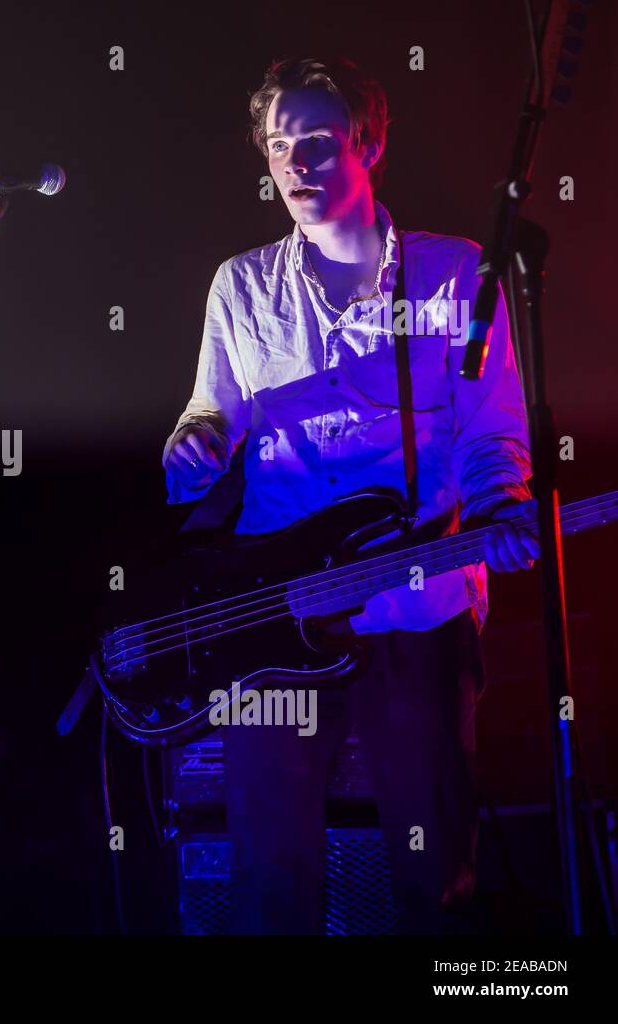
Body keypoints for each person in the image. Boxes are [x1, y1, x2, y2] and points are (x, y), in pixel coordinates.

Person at [162, 55, 540, 934]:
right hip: (275, 616)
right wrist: (196, 442)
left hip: (418, 611)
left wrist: (499, 506)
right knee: (268, 877)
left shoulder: (454, 275)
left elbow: (493, 428)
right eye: (278, 147)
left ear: (369, 141)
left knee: (432, 876)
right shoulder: (241, 285)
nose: (295, 165)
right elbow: (209, 407)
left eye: (318, 142)